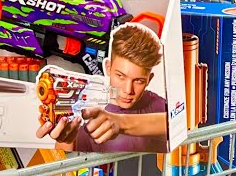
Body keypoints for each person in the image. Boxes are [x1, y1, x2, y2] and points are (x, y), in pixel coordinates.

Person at [37, 23, 168, 153]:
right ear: (108, 68)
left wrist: (120, 123)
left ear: (149, 79)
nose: (128, 90)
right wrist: (66, 138)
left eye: (138, 81)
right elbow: (65, 164)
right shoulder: (86, 106)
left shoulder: (156, 106)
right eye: (120, 76)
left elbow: (174, 123)